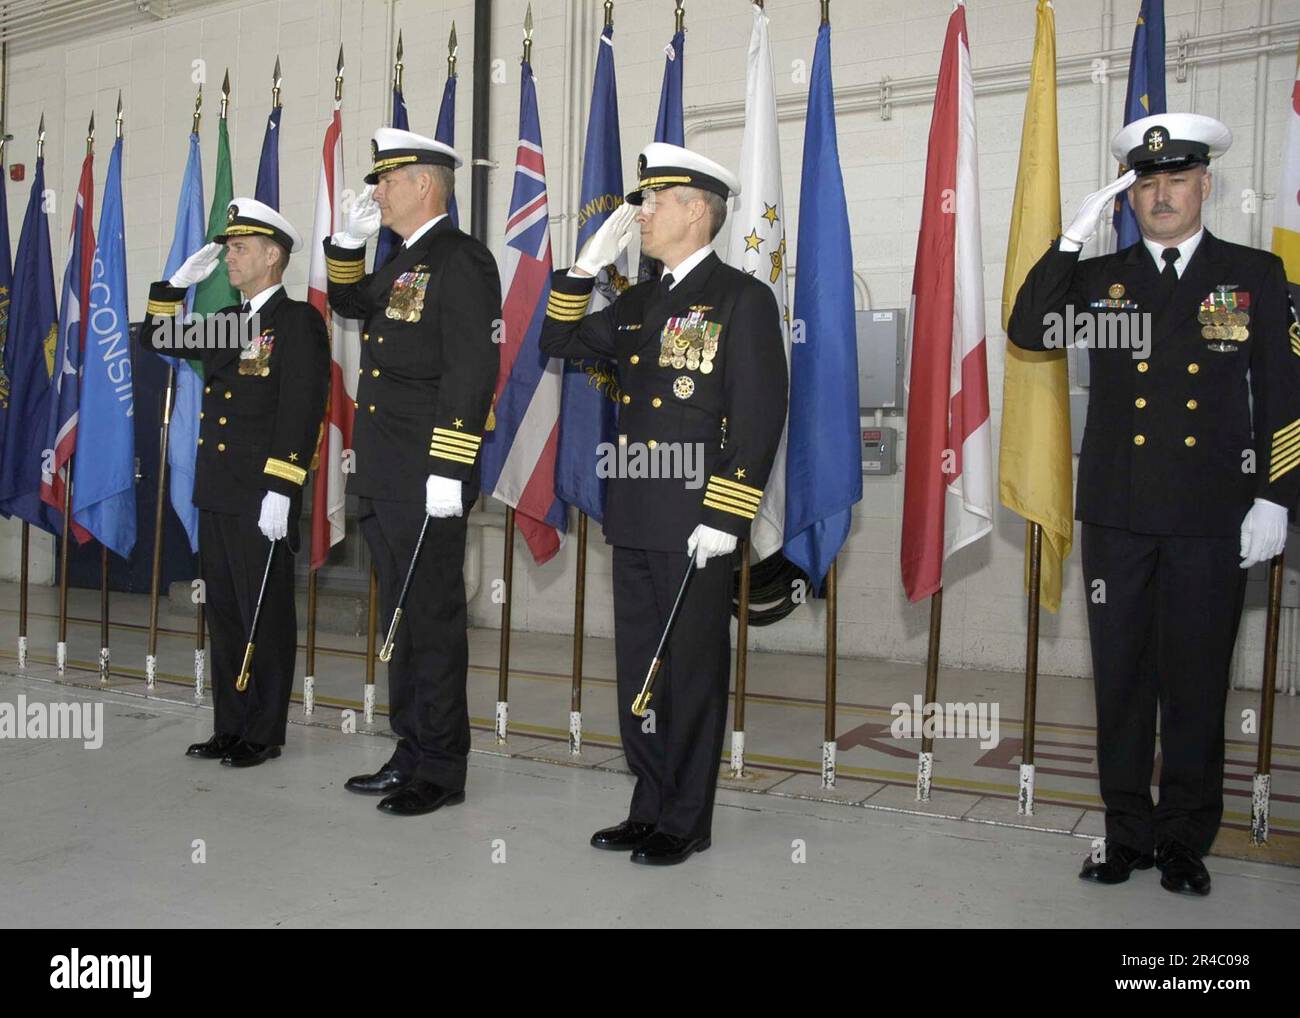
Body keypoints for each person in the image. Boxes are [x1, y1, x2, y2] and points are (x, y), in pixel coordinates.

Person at [1007, 113, 1299, 895]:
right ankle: (1126, 834)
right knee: (1124, 683)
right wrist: (1070, 239)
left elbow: (1285, 392)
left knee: (1199, 682)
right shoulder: (1105, 281)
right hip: (1121, 513)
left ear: (1206, 185)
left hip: (1212, 515)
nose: (1161, 194)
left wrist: (1275, 496)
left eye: (1176, 180)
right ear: (1129, 197)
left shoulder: (1254, 275)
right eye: (1146, 183)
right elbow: (1028, 327)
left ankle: (1184, 842)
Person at [539, 142, 787, 865]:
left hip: (697, 524)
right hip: (637, 515)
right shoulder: (641, 301)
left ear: (695, 210)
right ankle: (648, 805)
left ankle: (687, 817)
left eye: (653, 202)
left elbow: (761, 414)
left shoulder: (742, 299)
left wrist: (727, 513)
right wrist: (585, 269)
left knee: (692, 671)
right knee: (640, 668)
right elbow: (558, 340)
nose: (639, 214)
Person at [322, 128, 501, 817]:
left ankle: (442, 769)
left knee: (430, 618)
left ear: (423, 185)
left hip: (428, 471)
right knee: (398, 617)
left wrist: (450, 466)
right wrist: (346, 241)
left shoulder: (460, 260)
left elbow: (471, 365)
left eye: (387, 181)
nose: (377, 191)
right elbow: (349, 302)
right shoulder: (403, 260)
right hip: (386, 469)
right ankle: (410, 749)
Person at [145, 198, 329, 767]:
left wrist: (283, 486)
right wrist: (173, 288)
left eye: (240, 247)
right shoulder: (231, 323)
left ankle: (263, 732)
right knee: (223, 611)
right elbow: (156, 341)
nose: (229, 257)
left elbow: (300, 409)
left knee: (263, 613)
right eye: (229, 247)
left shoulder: (295, 322)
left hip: (261, 494)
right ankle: (230, 724)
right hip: (220, 490)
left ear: (272, 256)